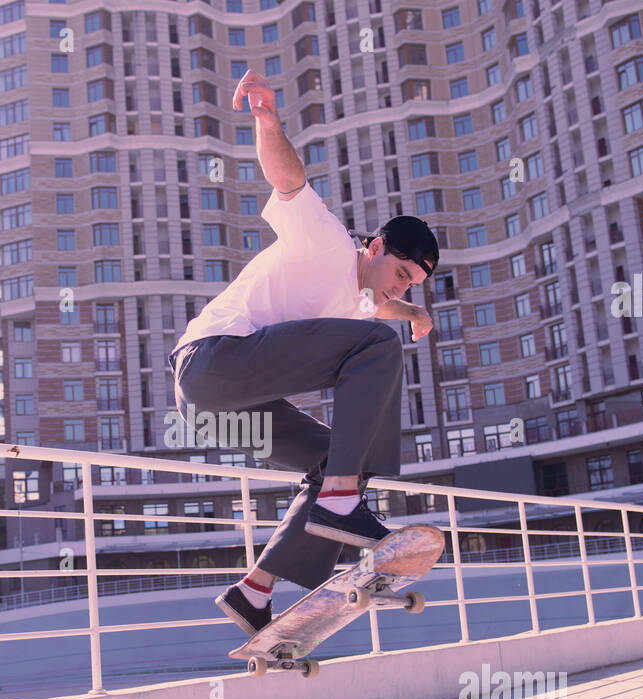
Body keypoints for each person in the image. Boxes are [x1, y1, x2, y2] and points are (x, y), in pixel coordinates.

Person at [166, 70, 441, 638]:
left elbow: (374, 306)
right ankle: (341, 503)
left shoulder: (361, 301)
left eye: (411, 284)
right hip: (212, 362)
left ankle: (254, 592)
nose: (399, 287)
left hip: (224, 411)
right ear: (376, 245)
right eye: (398, 273)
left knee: (341, 459)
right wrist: (268, 122)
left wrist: (412, 312)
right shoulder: (325, 240)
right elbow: (288, 180)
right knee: (377, 350)